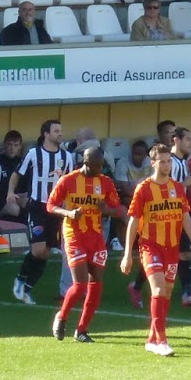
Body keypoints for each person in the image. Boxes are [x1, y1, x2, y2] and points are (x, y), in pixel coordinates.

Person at [117, 144, 191, 353]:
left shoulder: (178, 188)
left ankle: (152, 339)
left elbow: (185, 217)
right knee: (158, 289)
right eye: (162, 161)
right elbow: (133, 222)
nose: (166, 165)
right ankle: (162, 341)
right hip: (150, 246)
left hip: (171, 248)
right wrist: (128, 254)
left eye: (169, 161)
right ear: (153, 163)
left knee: (167, 293)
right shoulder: (144, 188)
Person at [48, 147, 125, 343]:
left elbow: (117, 209)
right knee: (80, 284)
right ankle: (62, 316)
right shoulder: (68, 180)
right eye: (94, 165)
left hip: (97, 237)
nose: (98, 169)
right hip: (74, 234)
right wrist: (69, 213)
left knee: (96, 283)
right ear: (85, 162)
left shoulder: (106, 183)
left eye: (101, 166)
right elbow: (51, 205)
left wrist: (106, 209)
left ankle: (81, 330)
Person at [10, 121, 75, 306]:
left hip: (56, 209)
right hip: (37, 207)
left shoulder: (67, 157)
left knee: (45, 253)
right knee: (38, 249)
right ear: (46, 134)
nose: (60, 134)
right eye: (56, 131)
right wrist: (9, 192)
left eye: (61, 131)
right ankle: (20, 279)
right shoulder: (33, 154)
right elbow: (17, 174)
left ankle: (27, 290)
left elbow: (70, 182)